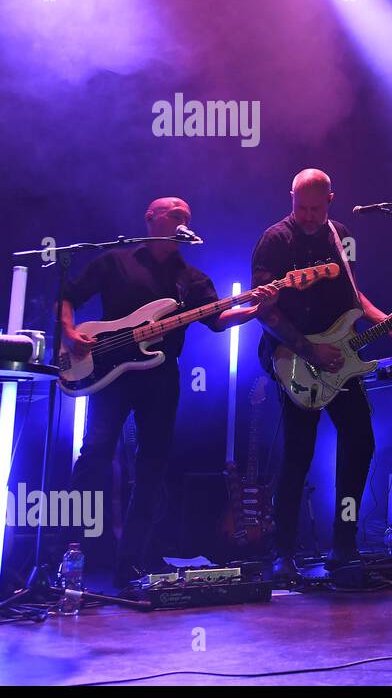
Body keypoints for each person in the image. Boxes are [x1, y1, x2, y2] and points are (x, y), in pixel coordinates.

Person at [63, 197, 272, 584]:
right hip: (109, 373)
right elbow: (69, 295)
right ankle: (69, 553)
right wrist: (71, 333)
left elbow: (217, 319)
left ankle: (131, 563)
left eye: (187, 219)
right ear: (150, 218)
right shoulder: (115, 261)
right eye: (175, 216)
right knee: (94, 454)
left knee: (152, 467)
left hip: (159, 377)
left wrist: (257, 308)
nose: (182, 223)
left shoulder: (190, 279)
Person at [251, 169, 392, 582]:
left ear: (331, 200)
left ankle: (344, 543)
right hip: (293, 356)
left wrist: (381, 318)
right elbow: (265, 311)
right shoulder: (275, 240)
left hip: (338, 357)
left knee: (361, 442)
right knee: (297, 453)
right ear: (290, 198)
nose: (306, 216)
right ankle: (282, 551)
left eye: (315, 209)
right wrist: (309, 349)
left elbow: (352, 294)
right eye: (299, 207)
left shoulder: (340, 235)